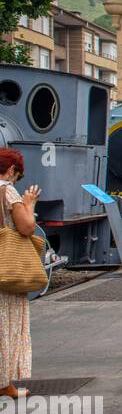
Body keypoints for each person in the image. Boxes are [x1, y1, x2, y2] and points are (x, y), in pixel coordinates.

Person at [0, 148, 39, 399]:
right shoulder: (7, 189)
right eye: (18, 175)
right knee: (7, 325)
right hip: (7, 268)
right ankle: (4, 383)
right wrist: (29, 204)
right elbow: (26, 227)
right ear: (12, 170)